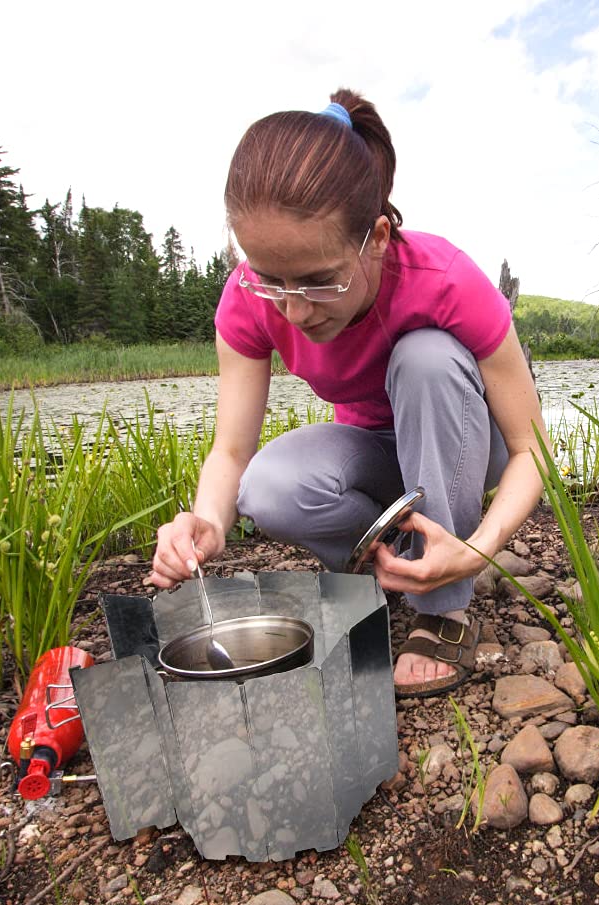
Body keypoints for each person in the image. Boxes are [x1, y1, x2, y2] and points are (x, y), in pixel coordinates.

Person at [150, 88, 548, 698]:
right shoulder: (248, 301)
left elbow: (531, 449)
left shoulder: (442, 280)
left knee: (427, 358)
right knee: (267, 485)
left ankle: (445, 606)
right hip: (376, 451)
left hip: (467, 441)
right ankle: (390, 560)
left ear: (379, 238)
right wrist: (204, 521)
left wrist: (477, 551)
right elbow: (231, 452)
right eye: (267, 278)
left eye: (319, 283)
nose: (294, 310)